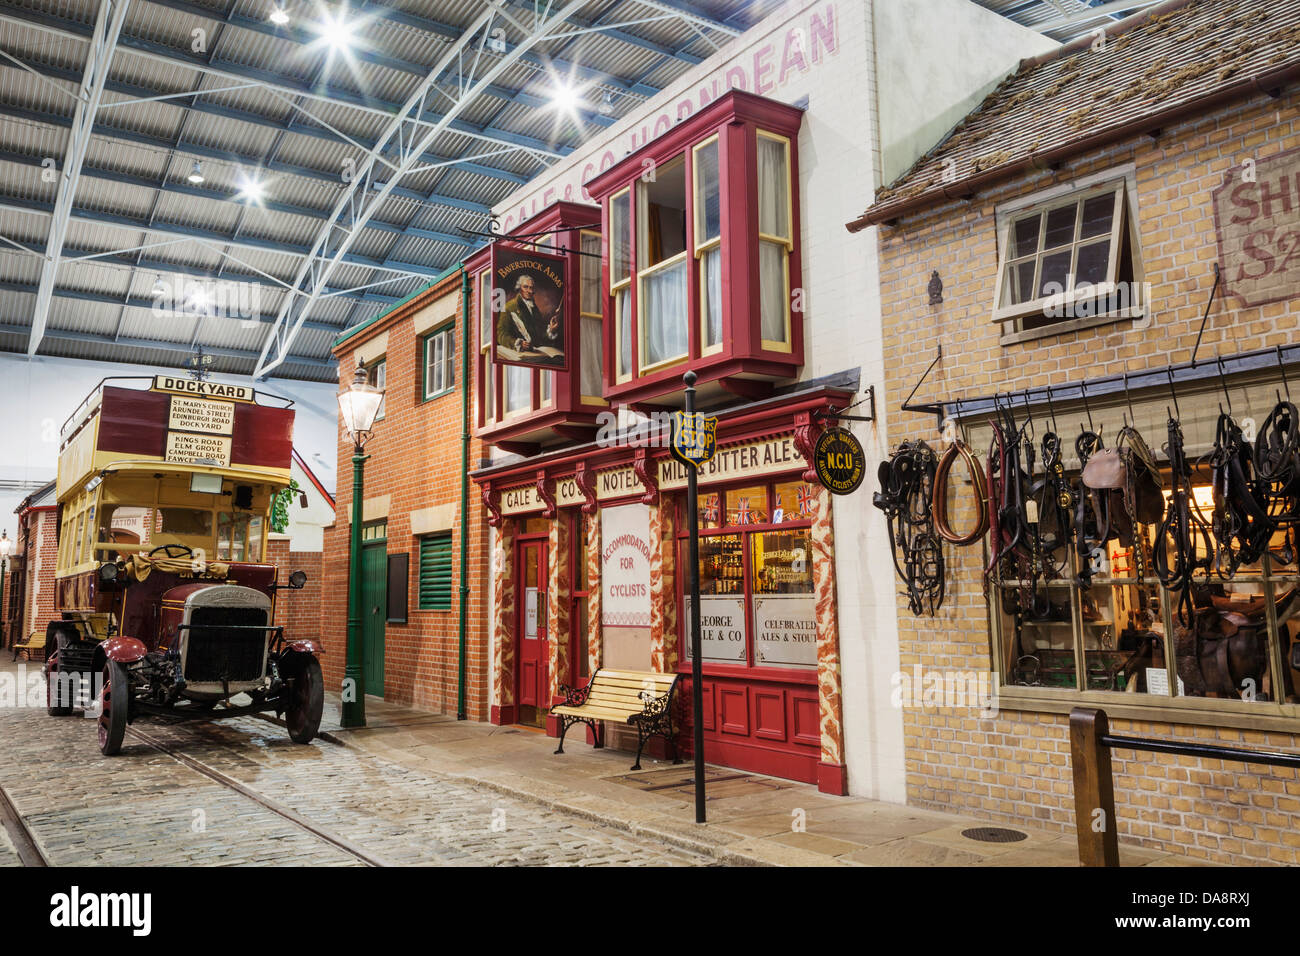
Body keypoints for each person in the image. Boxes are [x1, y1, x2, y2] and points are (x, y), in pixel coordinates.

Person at [497, 274, 561, 355]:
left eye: (531, 288)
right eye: (525, 287)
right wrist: (518, 343)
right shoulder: (509, 307)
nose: (529, 291)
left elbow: (540, 335)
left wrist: (551, 330)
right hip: (520, 353)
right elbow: (501, 334)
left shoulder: (534, 307)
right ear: (519, 288)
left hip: (538, 351)